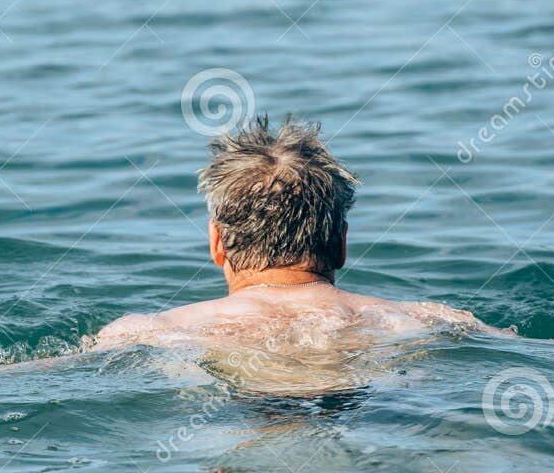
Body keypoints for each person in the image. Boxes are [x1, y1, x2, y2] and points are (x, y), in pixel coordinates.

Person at [95, 116, 507, 349]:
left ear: (217, 243)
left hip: (240, 414)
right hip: (375, 412)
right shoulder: (432, 320)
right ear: (341, 243)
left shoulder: (151, 331)